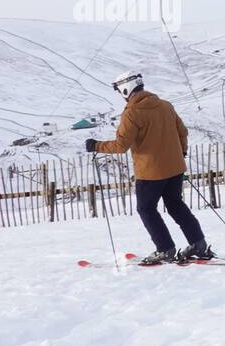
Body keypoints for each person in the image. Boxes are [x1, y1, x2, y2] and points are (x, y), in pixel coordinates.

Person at [86, 71, 210, 264]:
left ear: (126, 89)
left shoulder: (132, 113)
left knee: (146, 209)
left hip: (150, 173)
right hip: (175, 167)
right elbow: (182, 132)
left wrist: (96, 146)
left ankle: (165, 249)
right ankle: (198, 243)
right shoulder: (165, 106)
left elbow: (121, 146)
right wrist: (181, 152)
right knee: (176, 205)